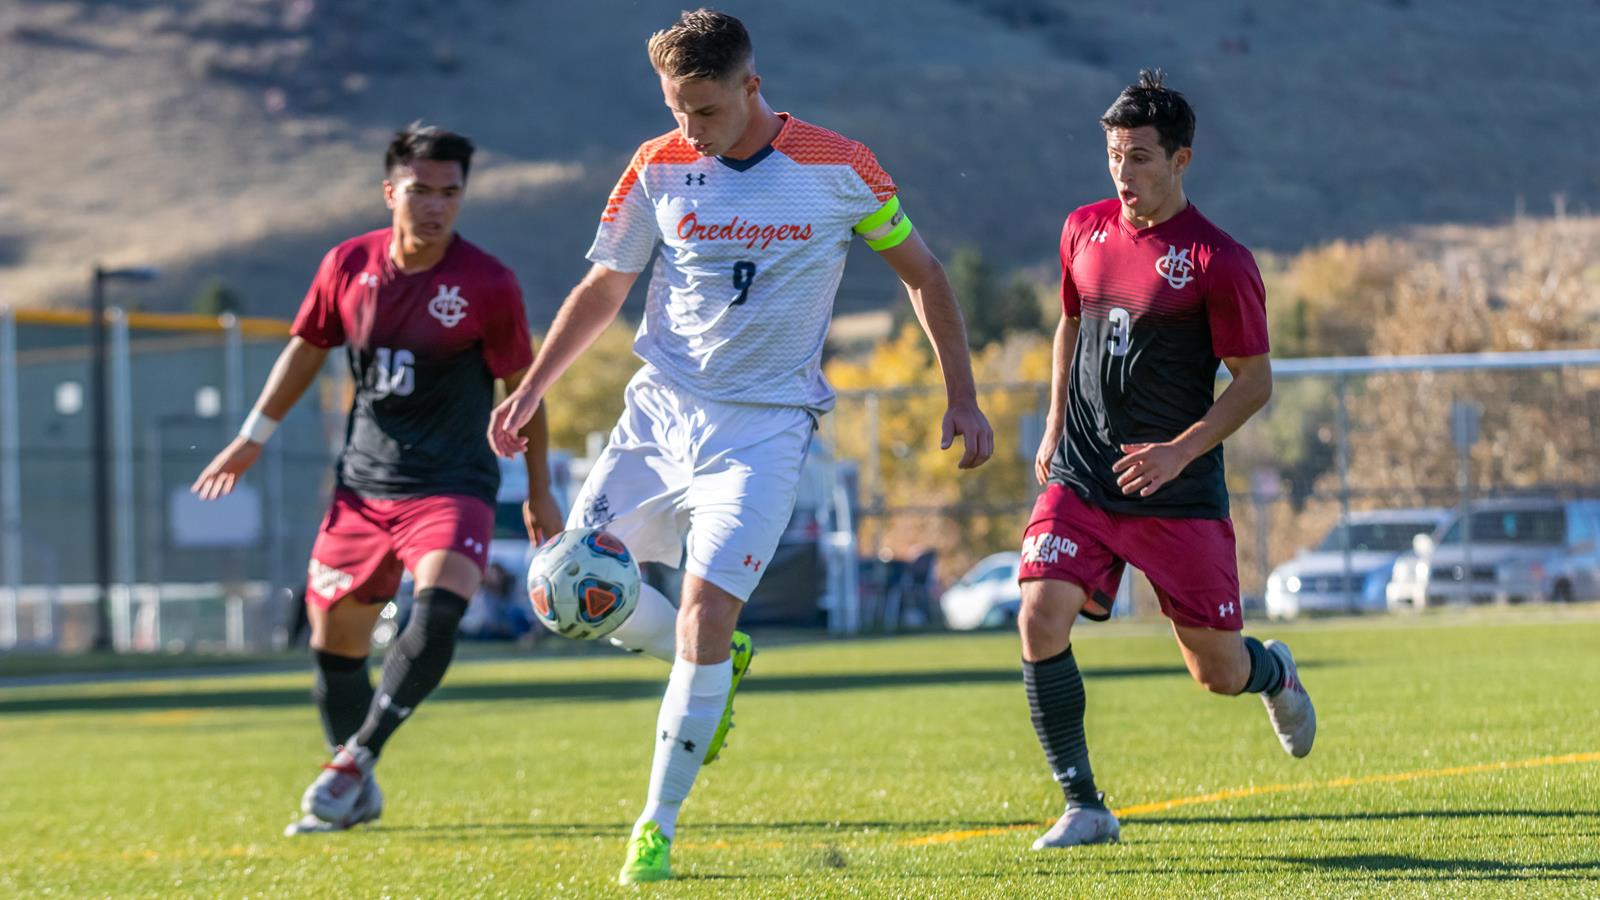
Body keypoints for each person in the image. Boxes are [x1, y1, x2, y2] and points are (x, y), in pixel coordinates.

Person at [487, 9, 994, 884]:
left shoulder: (839, 166)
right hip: (658, 417)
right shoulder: (657, 164)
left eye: (706, 109)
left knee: (703, 613)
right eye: (676, 109)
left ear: (751, 86)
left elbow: (924, 274)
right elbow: (605, 286)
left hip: (762, 429)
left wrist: (963, 394)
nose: (690, 127)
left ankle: (655, 826)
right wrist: (534, 387)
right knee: (561, 594)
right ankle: (717, 664)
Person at [192, 123, 561, 835]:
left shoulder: (488, 283)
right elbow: (306, 349)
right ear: (390, 191)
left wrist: (539, 489)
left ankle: (353, 761)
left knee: (439, 608)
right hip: (362, 489)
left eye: (450, 192)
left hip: (451, 484)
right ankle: (354, 779)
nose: (436, 206)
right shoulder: (347, 264)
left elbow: (526, 389)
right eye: (421, 190)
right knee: (334, 648)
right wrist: (250, 438)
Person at [1017, 70, 1315, 850]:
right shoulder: (1082, 229)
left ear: (1182, 160)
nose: (1124, 172)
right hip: (1085, 474)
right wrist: (1054, 425)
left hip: (1176, 493)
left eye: (1141, 157)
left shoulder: (1219, 260)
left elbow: (1254, 382)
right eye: (1115, 155)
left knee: (1217, 672)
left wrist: (1180, 452)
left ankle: (1274, 672)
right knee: (1038, 615)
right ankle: (1085, 804)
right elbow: (1071, 323)